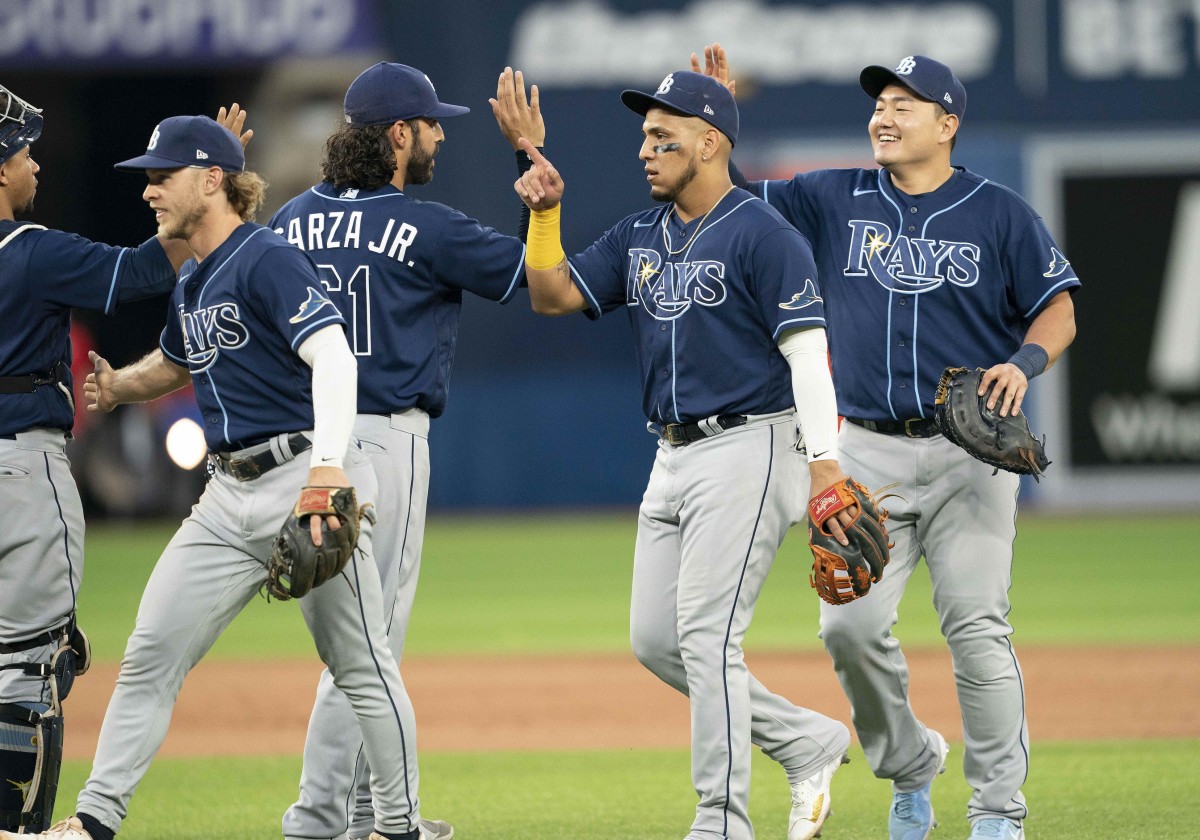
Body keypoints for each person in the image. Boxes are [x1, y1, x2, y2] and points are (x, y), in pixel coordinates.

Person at [1, 115, 426, 840]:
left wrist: (327, 469)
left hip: (303, 476)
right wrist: (123, 387)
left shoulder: (266, 256)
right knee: (149, 656)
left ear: (210, 180)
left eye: (162, 176)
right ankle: (96, 822)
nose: (149, 192)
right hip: (227, 498)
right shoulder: (195, 276)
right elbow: (178, 359)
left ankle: (399, 827)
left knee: (361, 666)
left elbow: (334, 356)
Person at [699, 47, 1079, 840]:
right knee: (848, 630)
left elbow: (1059, 310)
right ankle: (911, 764)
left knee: (977, 627)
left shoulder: (999, 212)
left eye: (906, 105)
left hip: (971, 453)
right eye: (879, 103)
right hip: (863, 449)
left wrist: (1023, 360)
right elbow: (724, 197)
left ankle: (998, 813)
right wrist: (715, 127)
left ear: (947, 124)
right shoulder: (832, 197)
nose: (884, 115)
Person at [499, 69, 859, 840]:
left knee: (706, 639)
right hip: (672, 455)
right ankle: (806, 740)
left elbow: (808, 354)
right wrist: (545, 214)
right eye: (643, 136)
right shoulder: (641, 233)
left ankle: (720, 822)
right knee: (657, 642)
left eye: (664, 136)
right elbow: (553, 294)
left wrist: (826, 463)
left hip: (753, 444)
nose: (646, 149)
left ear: (712, 142)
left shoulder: (765, 234)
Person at [269, 61, 541, 840]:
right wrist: (530, 163)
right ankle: (322, 818)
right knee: (368, 648)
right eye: (430, 123)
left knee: (355, 644)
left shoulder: (287, 222)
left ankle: (356, 812)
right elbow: (535, 273)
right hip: (383, 440)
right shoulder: (425, 226)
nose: (439, 135)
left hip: (305, 443)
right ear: (397, 134)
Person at [0, 85, 211, 834]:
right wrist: (201, 190)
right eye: (23, 154)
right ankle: (19, 831)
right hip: (21, 471)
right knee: (31, 668)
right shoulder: (31, 252)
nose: (34, 168)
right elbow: (153, 271)